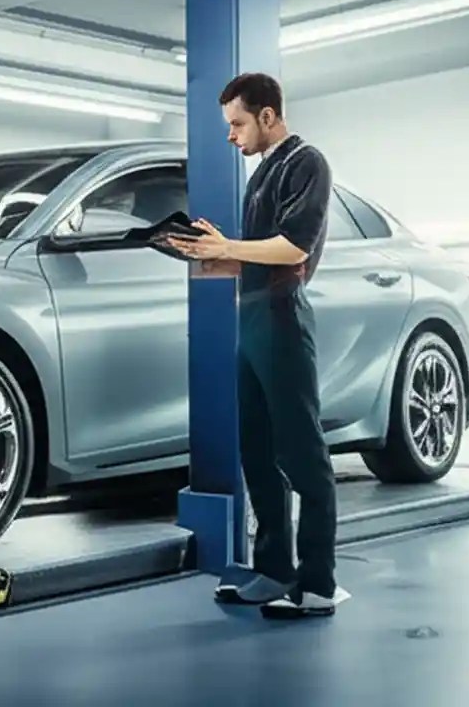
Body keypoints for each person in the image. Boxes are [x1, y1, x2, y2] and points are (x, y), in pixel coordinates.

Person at [164, 72, 341, 619]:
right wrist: (205, 253)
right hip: (251, 317)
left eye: (238, 123)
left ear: (268, 116)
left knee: (302, 455)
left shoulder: (308, 162)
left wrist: (230, 245)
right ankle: (273, 570)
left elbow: (292, 250)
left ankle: (316, 584)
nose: (231, 135)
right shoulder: (261, 174)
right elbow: (255, 256)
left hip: (283, 320)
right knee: (257, 452)